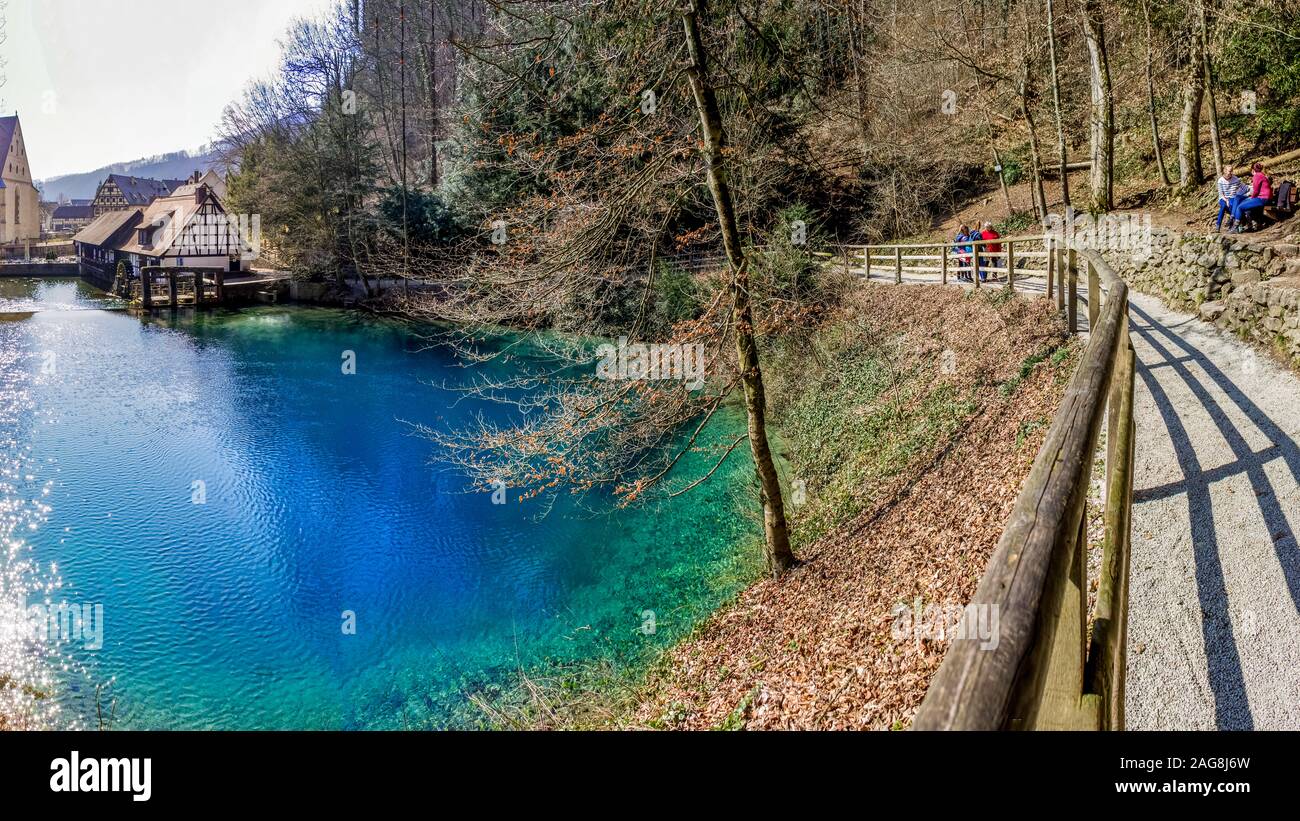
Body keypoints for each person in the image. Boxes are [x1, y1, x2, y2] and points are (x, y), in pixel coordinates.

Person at [1230, 162, 1272, 232]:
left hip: (1262, 199)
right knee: (1243, 203)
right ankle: (1248, 223)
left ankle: (1235, 227)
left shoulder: (1256, 176)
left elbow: (1256, 191)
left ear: (1252, 170)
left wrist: (1251, 197)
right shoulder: (1262, 175)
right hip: (1265, 198)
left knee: (1240, 207)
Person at [1215, 165, 1245, 231]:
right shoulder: (1220, 181)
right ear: (1225, 171)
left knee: (1232, 206)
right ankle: (1218, 225)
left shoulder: (1235, 179)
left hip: (1233, 197)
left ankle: (1234, 225)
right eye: (1229, 171)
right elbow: (1221, 194)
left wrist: (1239, 193)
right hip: (1223, 198)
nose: (1231, 172)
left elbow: (1244, 188)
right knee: (1223, 206)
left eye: (1232, 171)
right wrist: (1226, 201)